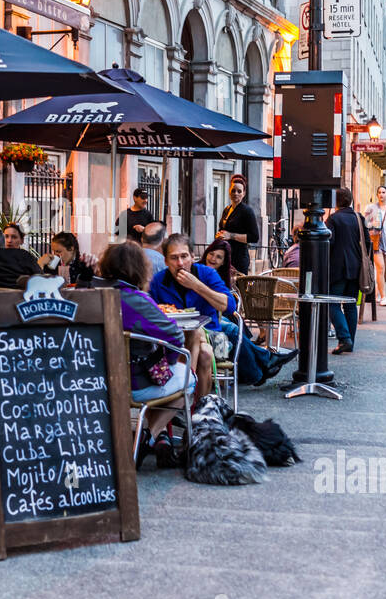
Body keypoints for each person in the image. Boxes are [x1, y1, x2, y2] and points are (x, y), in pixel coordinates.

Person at [149, 233, 295, 386]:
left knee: (208, 333)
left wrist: (197, 286)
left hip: (211, 334)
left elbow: (230, 307)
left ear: (192, 257)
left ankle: (188, 389)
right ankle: (260, 369)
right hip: (172, 338)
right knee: (219, 335)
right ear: (165, 261)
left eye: (184, 256)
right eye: (174, 258)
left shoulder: (207, 274)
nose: (180, 263)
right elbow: (148, 314)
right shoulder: (158, 282)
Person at [99, 241, 197, 468]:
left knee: (174, 380)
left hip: (98, 381)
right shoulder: (137, 300)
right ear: (138, 268)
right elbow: (176, 336)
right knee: (188, 380)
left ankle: (154, 436)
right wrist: (167, 364)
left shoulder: (92, 295)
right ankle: (148, 436)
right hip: (133, 383)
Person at [323, 189, 364, 355]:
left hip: (338, 268)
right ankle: (350, 341)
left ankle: (344, 338)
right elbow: (367, 243)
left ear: (336, 201)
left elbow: (328, 243)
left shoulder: (333, 219)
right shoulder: (358, 218)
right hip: (355, 268)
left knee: (332, 303)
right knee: (350, 304)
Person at [216, 175, 259, 275]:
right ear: (229, 191)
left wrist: (231, 236)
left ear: (244, 194)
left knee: (237, 289)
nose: (236, 193)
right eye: (233, 190)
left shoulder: (247, 211)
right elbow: (222, 229)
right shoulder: (227, 209)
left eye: (239, 191)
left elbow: (254, 237)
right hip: (225, 257)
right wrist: (219, 235)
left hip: (239, 259)